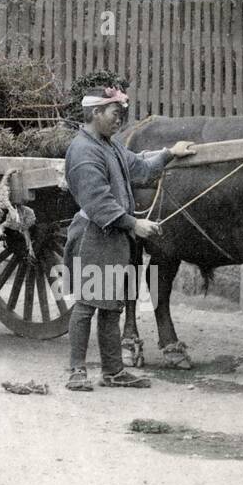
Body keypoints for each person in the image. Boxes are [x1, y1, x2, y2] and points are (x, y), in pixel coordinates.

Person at [62, 85, 195, 390]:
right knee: (86, 305)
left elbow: (140, 168)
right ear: (96, 113)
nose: (120, 119)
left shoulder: (110, 146)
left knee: (111, 306)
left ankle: (113, 372)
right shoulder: (83, 151)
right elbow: (98, 202)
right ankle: (77, 371)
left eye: (121, 114)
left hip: (114, 237)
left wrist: (169, 153)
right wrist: (134, 224)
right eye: (114, 113)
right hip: (93, 236)